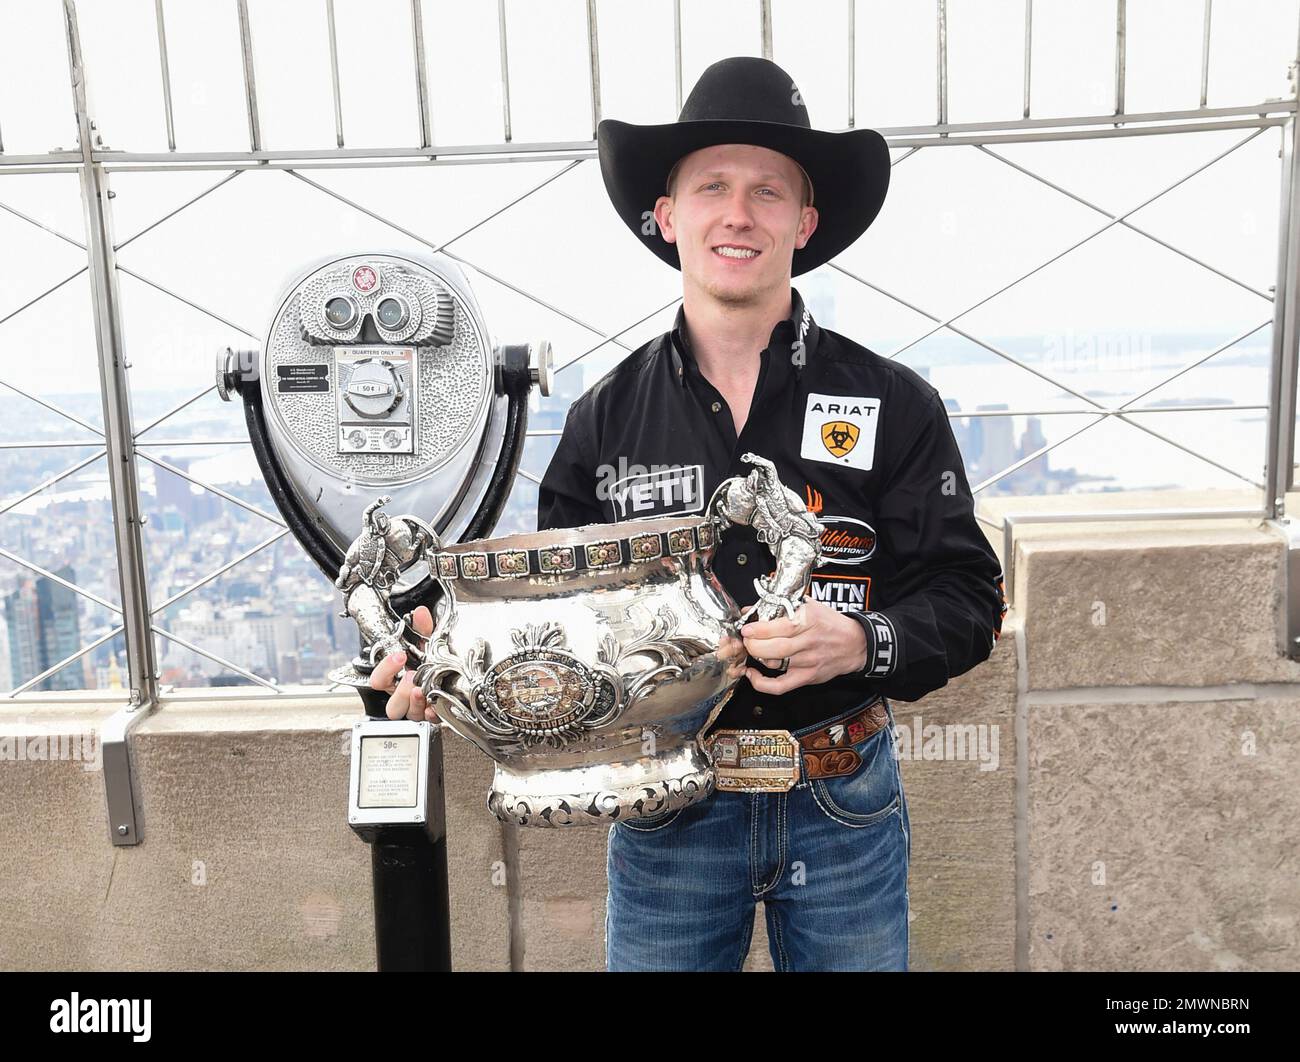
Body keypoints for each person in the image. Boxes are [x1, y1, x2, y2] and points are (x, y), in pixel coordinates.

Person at [374, 56, 1008, 972]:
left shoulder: (895, 403)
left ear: (806, 220)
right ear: (669, 217)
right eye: (711, 186)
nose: (738, 213)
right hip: (665, 813)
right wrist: (453, 661)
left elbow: (967, 596)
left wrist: (862, 642)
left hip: (843, 805)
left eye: (768, 190)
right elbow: (557, 622)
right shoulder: (604, 420)